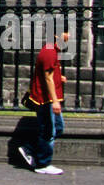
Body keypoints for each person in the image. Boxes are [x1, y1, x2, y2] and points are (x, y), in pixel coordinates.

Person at [19, 31, 69, 176]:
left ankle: (30, 150)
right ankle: (42, 164)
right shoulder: (49, 52)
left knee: (58, 127)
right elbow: (47, 78)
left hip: (49, 98)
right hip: (45, 99)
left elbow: (50, 74)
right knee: (48, 131)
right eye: (66, 34)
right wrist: (54, 102)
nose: (68, 37)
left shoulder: (52, 50)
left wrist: (60, 77)